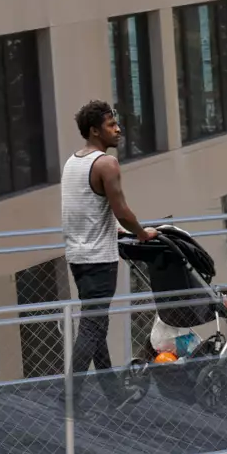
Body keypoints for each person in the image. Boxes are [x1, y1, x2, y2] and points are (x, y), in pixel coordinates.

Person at [59, 100, 150, 374]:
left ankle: (112, 394)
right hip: (100, 260)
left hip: (77, 257)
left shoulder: (73, 162)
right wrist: (142, 233)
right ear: (94, 131)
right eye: (111, 125)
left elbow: (86, 209)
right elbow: (121, 210)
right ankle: (69, 395)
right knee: (93, 327)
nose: (118, 130)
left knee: (95, 323)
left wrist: (115, 230)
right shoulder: (106, 163)